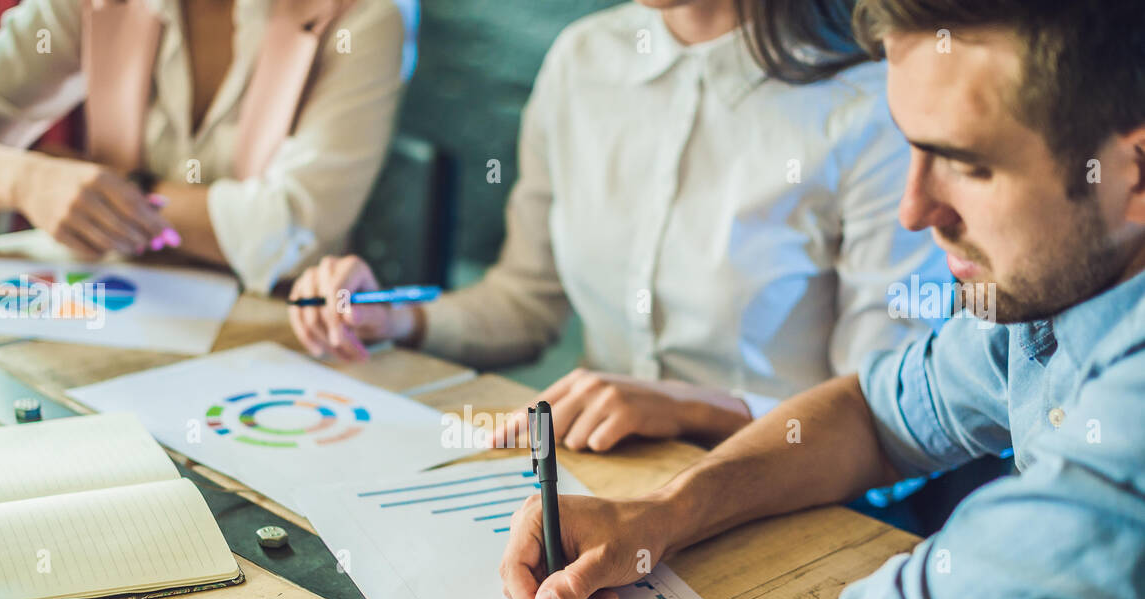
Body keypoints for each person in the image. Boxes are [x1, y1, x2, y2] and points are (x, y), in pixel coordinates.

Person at [498, 0, 1145, 599]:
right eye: (912, 147)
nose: (916, 209)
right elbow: (873, 414)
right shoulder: (1057, 296)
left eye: (964, 165)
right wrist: (659, 514)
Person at [287, 0, 948, 452]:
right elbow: (524, 303)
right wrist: (397, 318)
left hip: (800, 513)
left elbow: (890, 421)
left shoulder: (874, 109)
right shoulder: (583, 60)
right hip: (596, 483)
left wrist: (687, 408)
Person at [0, 0, 410, 294]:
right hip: (115, 307)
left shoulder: (366, 15)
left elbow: (287, 230)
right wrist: (31, 179)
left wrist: (115, 190)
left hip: (279, 330)